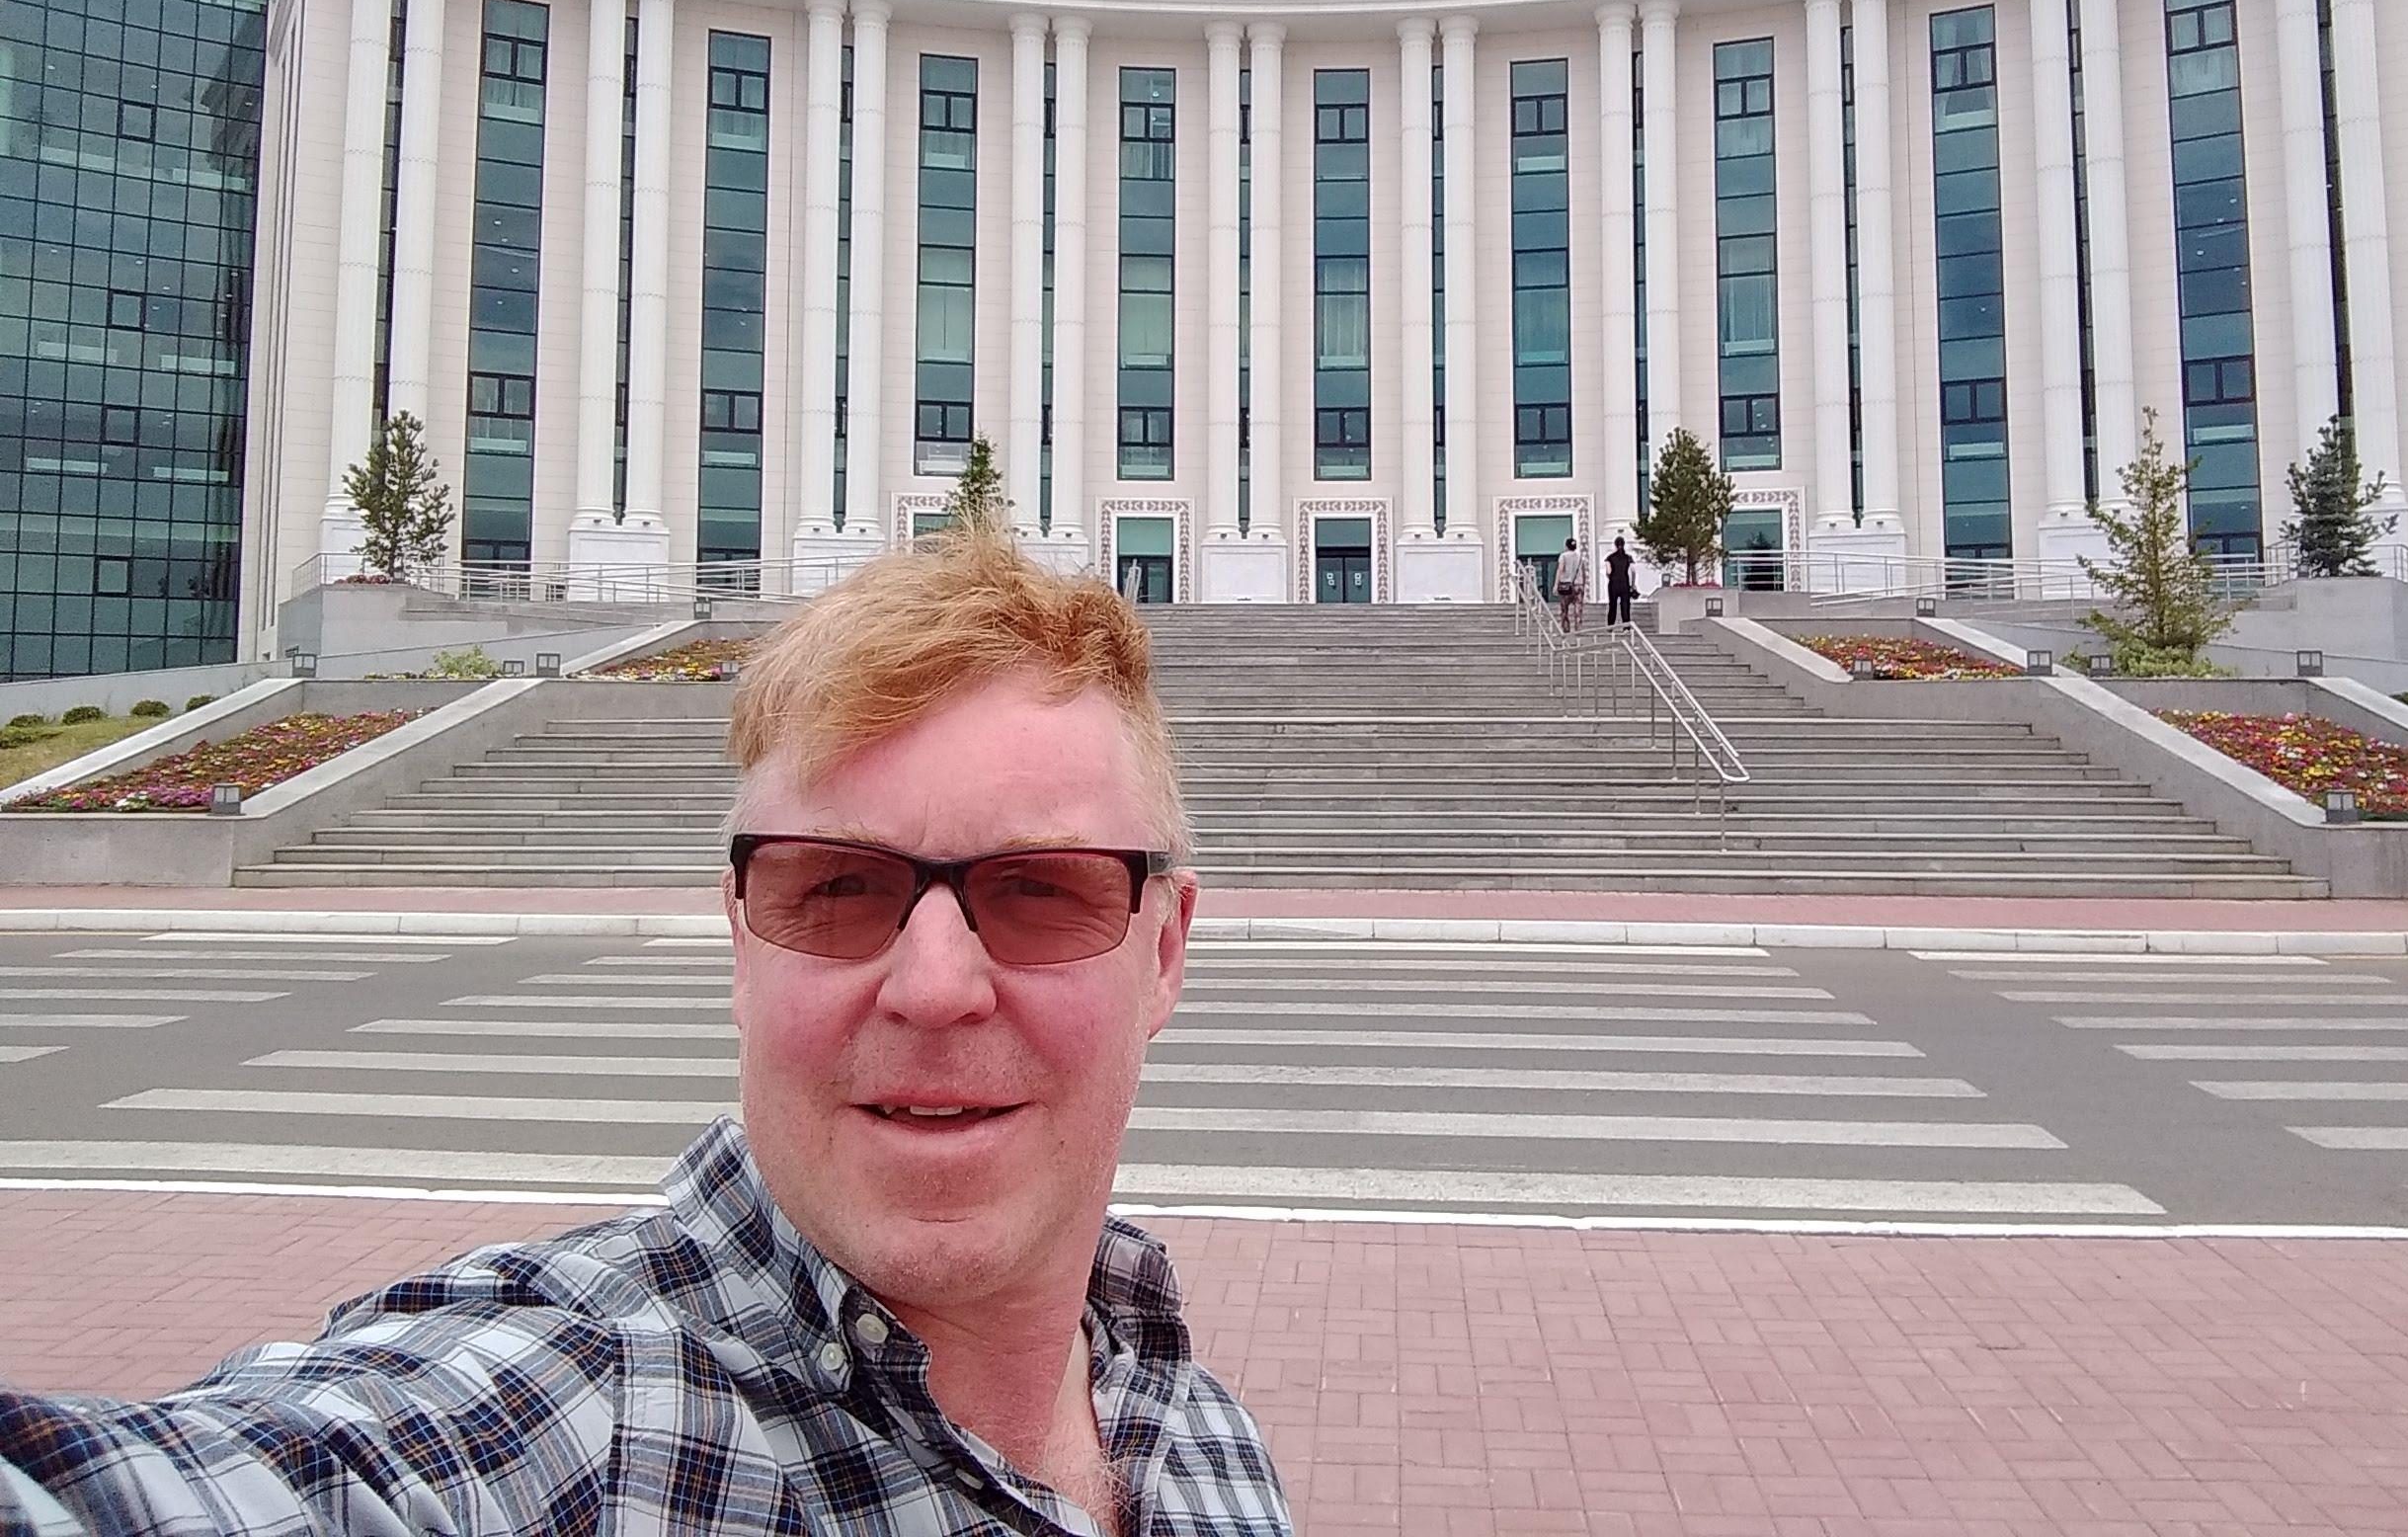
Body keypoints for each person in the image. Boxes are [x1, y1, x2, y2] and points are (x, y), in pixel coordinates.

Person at [0, 528, 1294, 1537]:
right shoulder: (586, 1417)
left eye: (1040, 891)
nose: (936, 987)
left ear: (1165, 950)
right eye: (836, 888)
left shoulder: (1206, 1445)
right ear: (741, 939)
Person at [1552, 536, 1587, 631]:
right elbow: (1583, 572)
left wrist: (1556, 585)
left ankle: (1566, 627)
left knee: (1564, 608)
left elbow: (1560, 569)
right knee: (1578, 607)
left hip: (1566, 585)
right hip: (1579, 584)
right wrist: (1584, 584)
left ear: (1566, 546)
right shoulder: (1580, 557)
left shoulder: (1563, 556)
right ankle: (1578, 627)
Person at [1606, 534, 1639, 629]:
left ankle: (1611, 626)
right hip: (1625, 584)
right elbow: (1633, 570)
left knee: (1612, 605)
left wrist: (1610, 576)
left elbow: (1608, 571)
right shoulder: (1628, 557)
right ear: (1624, 545)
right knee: (1625, 605)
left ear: (1615, 545)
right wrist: (1632, 585)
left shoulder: (1610, 558)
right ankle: (1626, 627)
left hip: (1613, 584)